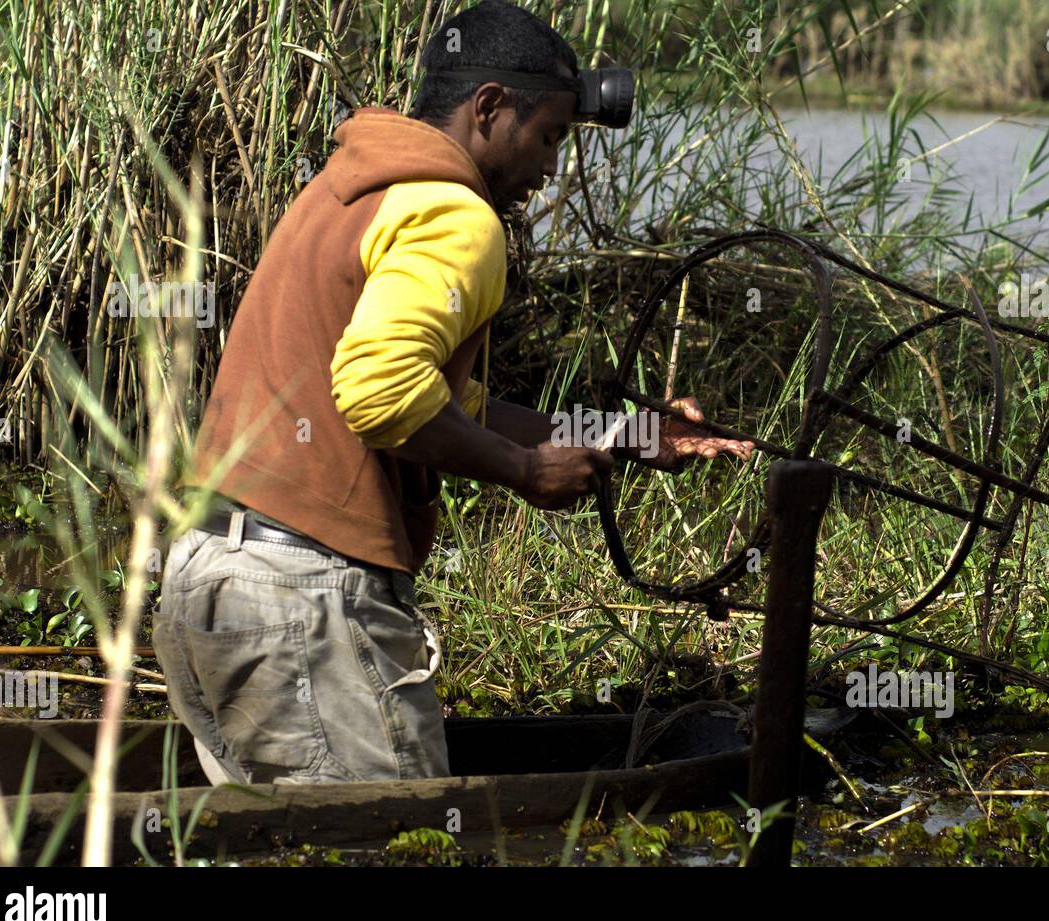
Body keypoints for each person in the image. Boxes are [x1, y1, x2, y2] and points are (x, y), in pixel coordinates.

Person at [152, 0, 751, 786]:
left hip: (208, 580)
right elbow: (382, 393)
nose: (549, 169)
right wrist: (526, 475)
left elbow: (442, 403)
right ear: (491, 109)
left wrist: (630, 435)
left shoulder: (352, 188)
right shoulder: (456, 214)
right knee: (401, 835)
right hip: (304, 601)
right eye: (548, 138)